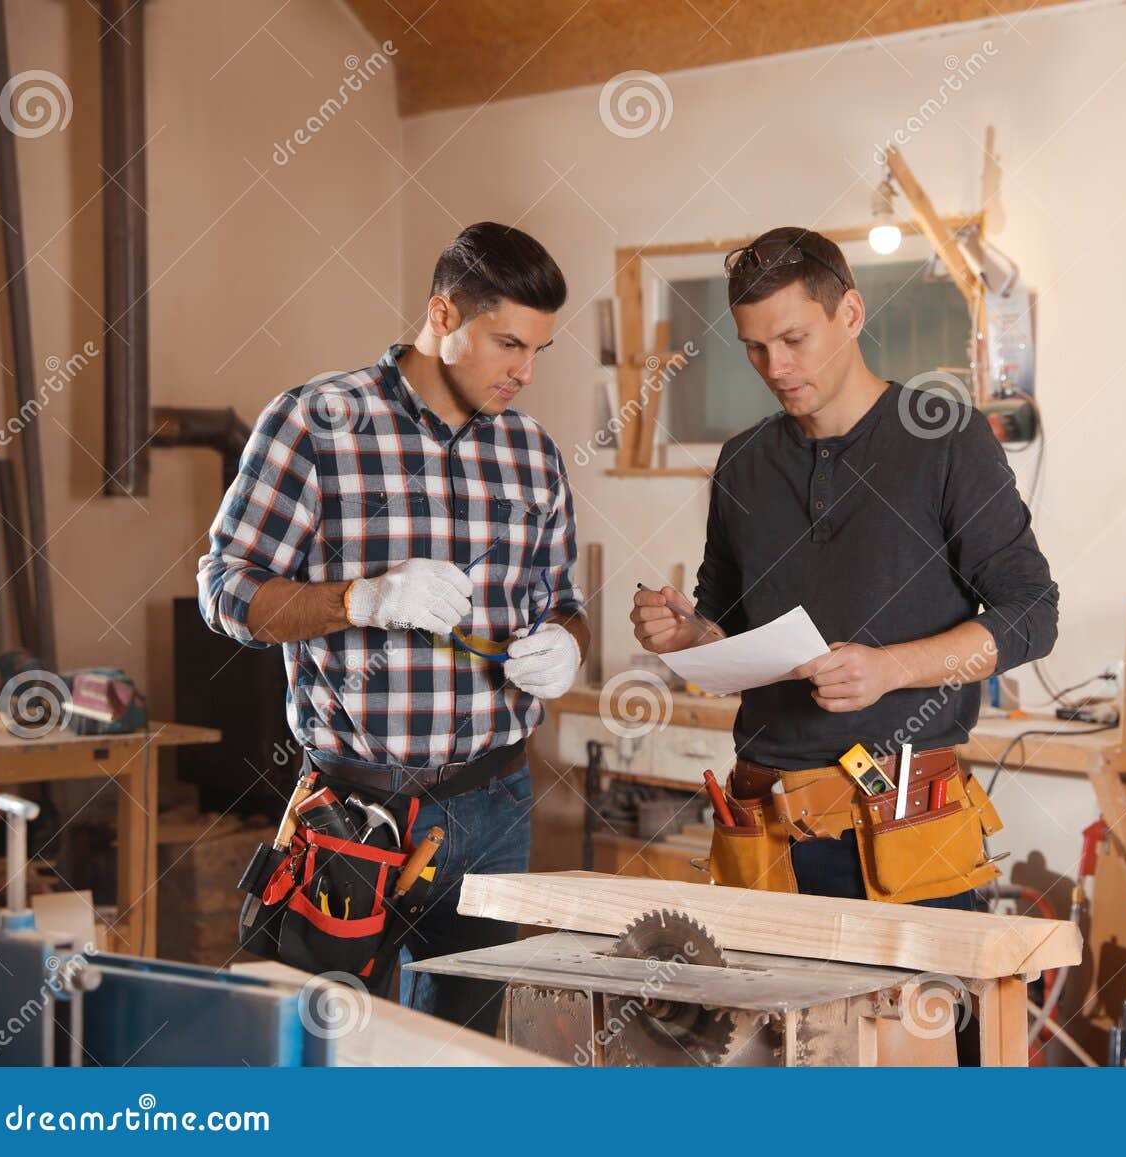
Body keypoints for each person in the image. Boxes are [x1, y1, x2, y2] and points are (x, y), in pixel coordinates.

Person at [199, 222, 588, 1033]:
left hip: (495, 803)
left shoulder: (533, 453)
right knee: (336, 1049)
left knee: (467, 1050)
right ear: (443, 315)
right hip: (354, 812)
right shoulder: (315, 422)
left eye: (539, 351)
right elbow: (226, 592)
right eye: (509, 344)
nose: (525, 372)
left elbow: (563, 599)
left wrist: (568, 644)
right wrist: (361, 600)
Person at [630, 226, 1058, 911]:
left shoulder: (948, 439)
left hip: (907, 832)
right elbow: (725, 629)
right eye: (755, 347)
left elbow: (1032, 614)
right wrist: (686, 635)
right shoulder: (743, 461)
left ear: (851, 313)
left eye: (794, 339)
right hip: (765, 830)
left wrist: (890, 669)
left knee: (912, 991)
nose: (775, 367)